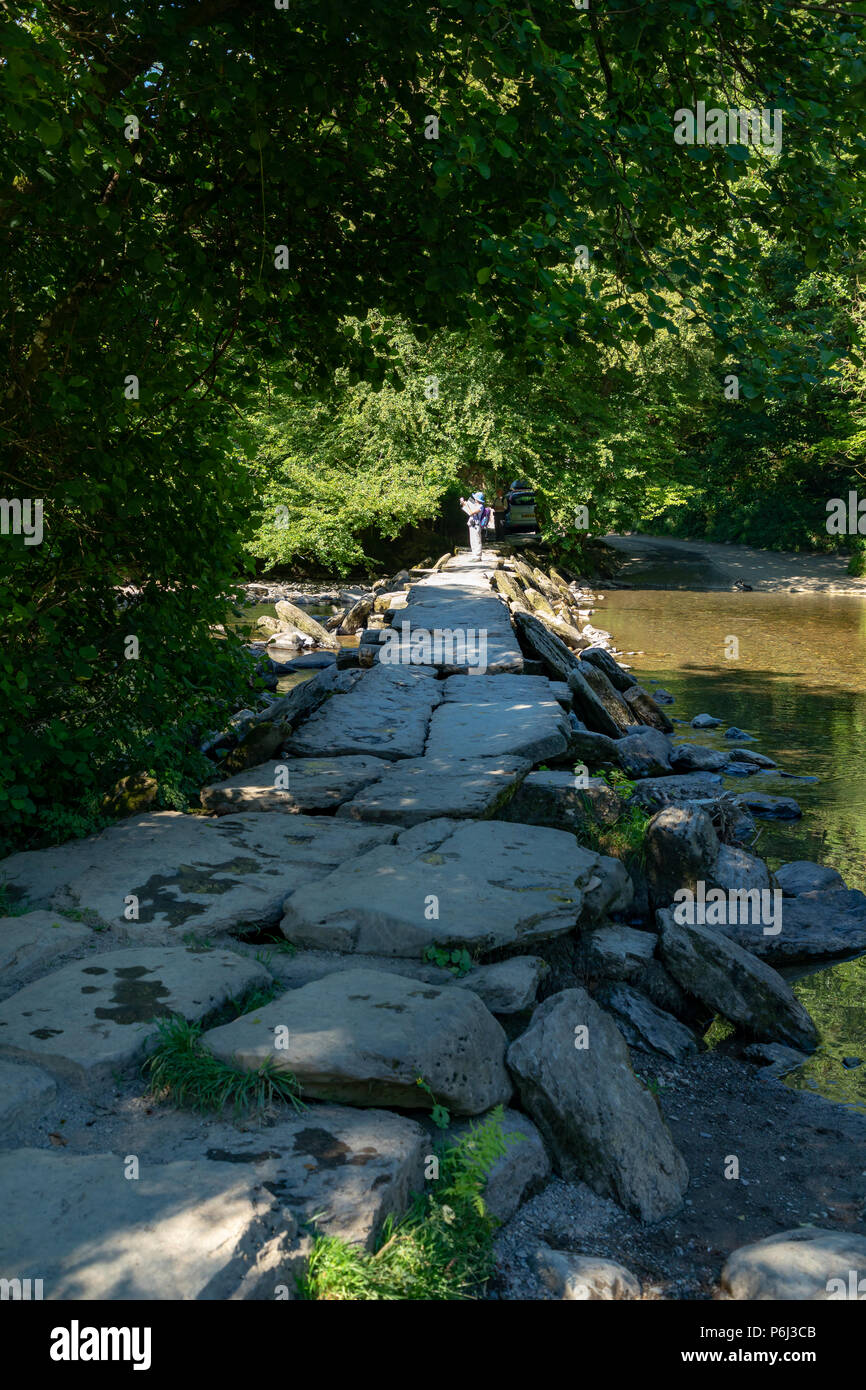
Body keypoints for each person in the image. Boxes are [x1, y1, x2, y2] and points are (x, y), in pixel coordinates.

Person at [459, 491, 492, 560]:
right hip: (472, 524)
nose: (474, 499)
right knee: (472, 541)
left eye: (475, 498)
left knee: (477, 541)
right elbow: (468, 506)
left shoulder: (480, 507)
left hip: (476, 525)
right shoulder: (476, 505)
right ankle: (474, 555)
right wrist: (463, 502)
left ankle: (478, 556)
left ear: (477, 499)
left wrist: (465, 505)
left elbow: (471, 513)